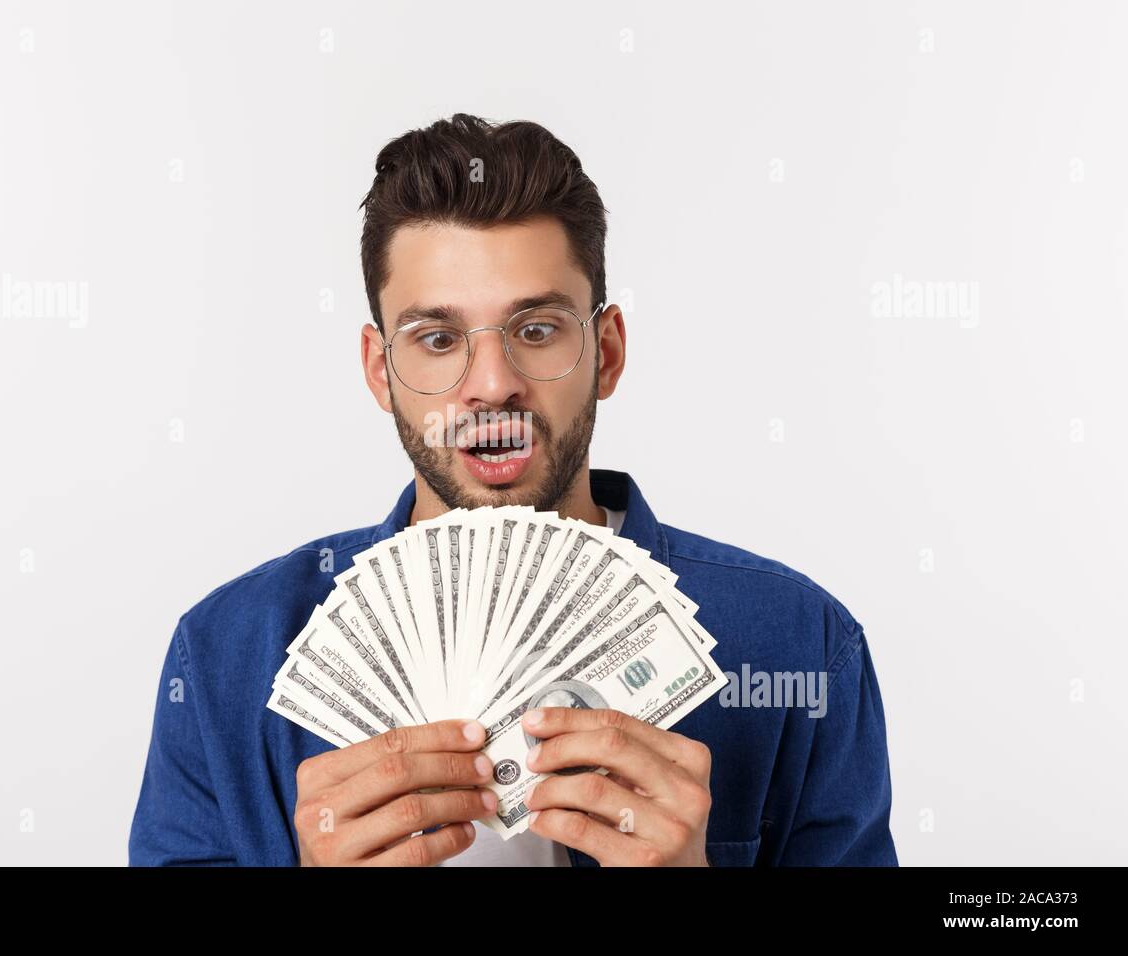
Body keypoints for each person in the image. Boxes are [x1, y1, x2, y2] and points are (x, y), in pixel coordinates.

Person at [128, 113, 897, 867]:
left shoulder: (802, 646)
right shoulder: (226, 657)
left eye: (535, 331)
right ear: (378, 369)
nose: (492, 388)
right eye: (437, 339)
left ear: (608, 350)